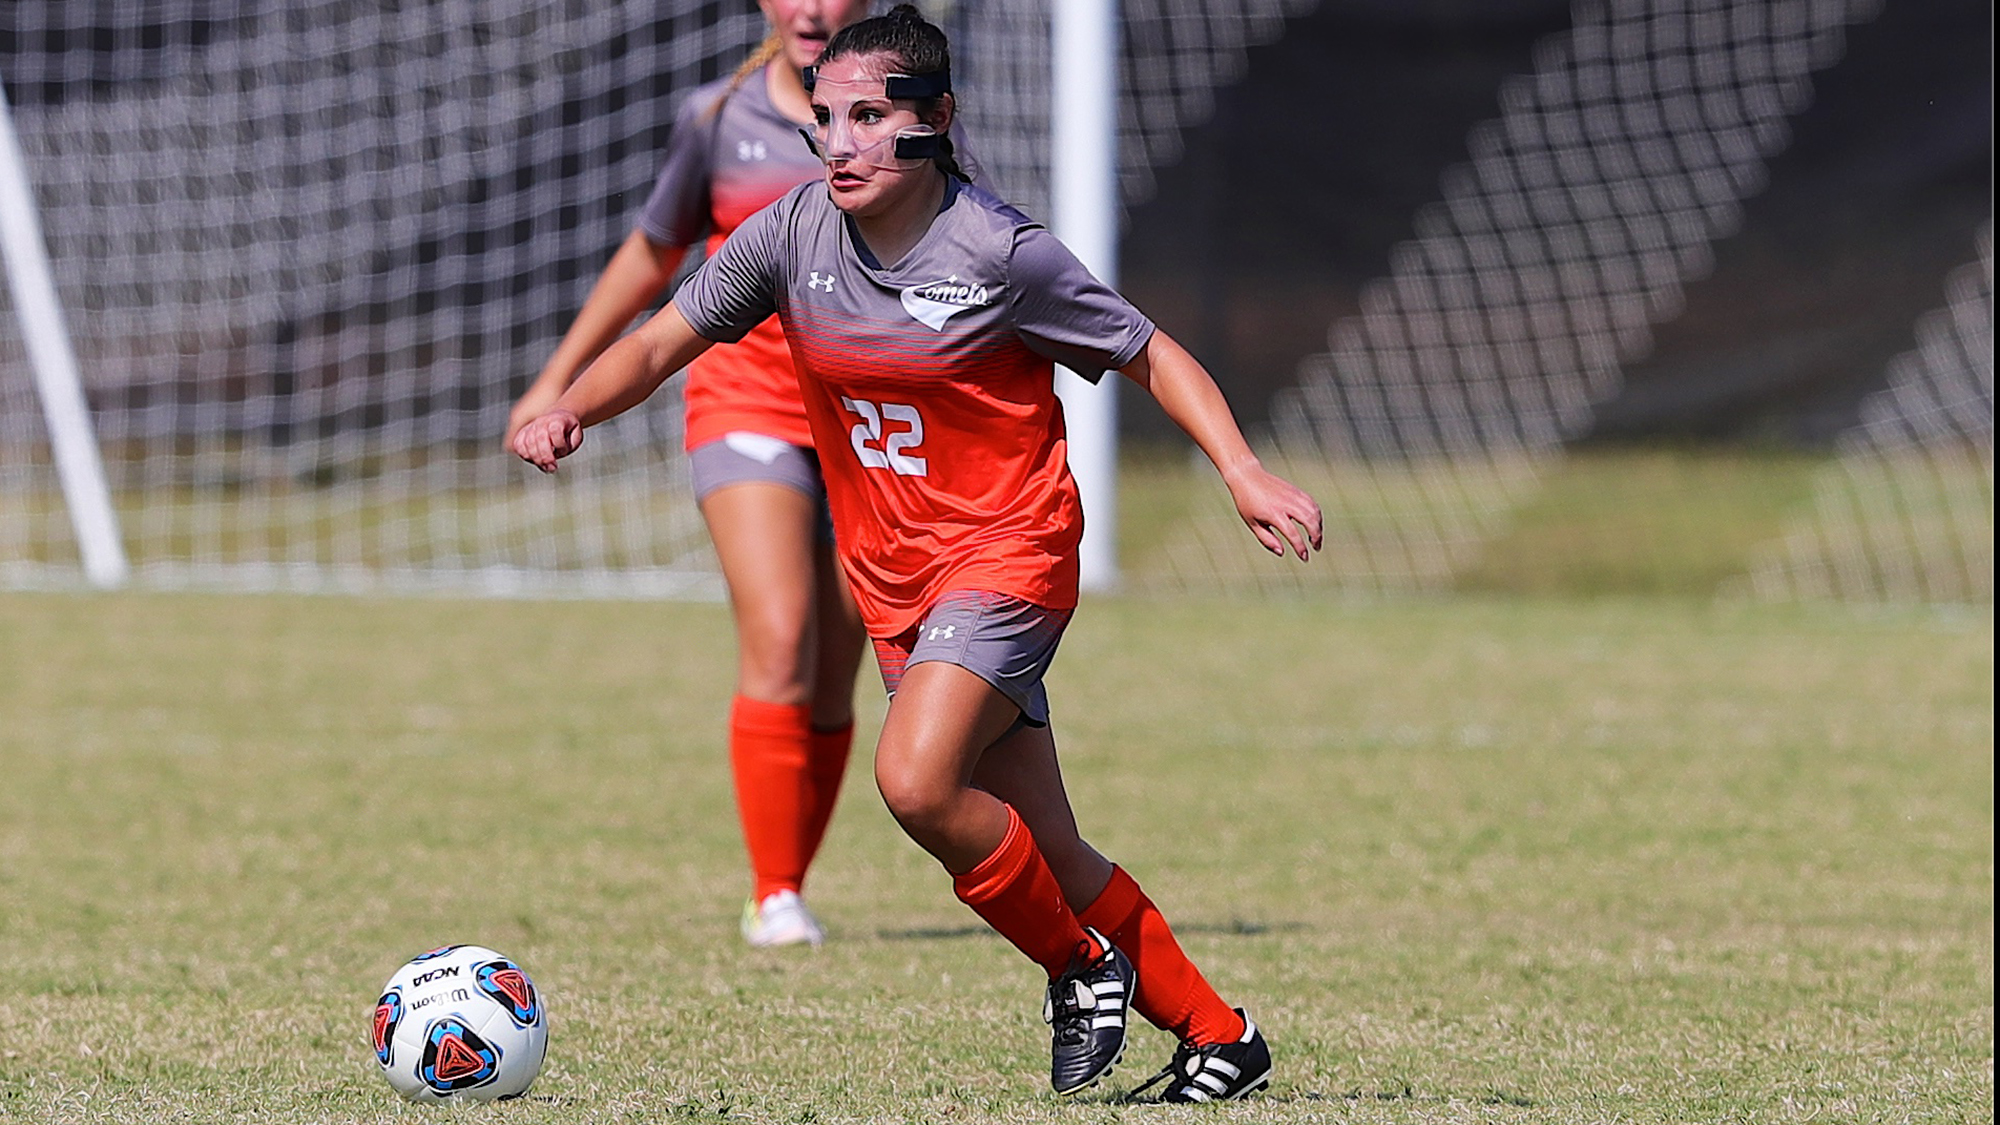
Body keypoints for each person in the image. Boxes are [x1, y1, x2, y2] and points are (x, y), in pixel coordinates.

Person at [513, 5, 1323, 1102]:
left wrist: (1238, 470)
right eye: (825, 117)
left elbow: (1150, 352)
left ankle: (1080, 969)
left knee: (912, 779)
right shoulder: (791, 235)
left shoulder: (1000, 251)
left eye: (869, 117)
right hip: (894, 577)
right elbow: (662, 339)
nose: (838, 142)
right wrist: (570, 408)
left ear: (934, 123)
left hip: (1009, 555)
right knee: (1050, 847)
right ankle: (1221, 1036)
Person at [506, 0, 878, 949]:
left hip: (865, 423)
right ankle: (774, 895)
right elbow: (650, 255)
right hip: (742, 404)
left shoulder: (903, 121)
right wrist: (557, 383)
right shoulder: (719, 117)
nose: (815, 8)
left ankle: (789, 879)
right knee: (782, 630)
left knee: (841, 668)